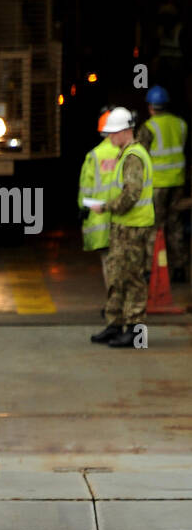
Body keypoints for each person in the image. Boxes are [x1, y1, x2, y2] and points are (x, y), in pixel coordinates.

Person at [90, 107, 156, 348]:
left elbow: (132, 194)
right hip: (124, 227)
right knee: (118, 277)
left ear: (125, 132)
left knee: (133, 279)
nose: (109, 138)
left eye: (112, 133)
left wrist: (107, 206)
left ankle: (136, 331)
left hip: (133, 228)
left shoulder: (133, 157)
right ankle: (115, 325)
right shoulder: (126, 154)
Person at [135, 86, 187, 281]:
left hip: (157, 184)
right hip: (177, 181)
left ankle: (152, 268)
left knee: (154, 226)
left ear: (150, 106)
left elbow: (140, 155)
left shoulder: (148, 127)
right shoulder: (181, 124)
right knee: (175, 224)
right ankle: (179, 268)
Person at [81, 108, 120, 332]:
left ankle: (113, 309)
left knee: (109, 266)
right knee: (124, 266)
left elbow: (85, 189)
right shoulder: (130, 153)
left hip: (100, 220)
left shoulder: (94, 156)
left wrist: (82, 210)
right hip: (127, 221)